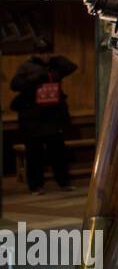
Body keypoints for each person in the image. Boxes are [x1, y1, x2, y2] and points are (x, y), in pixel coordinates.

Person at [8, 39, 78, 194]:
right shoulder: (26, 66)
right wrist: (35, 78)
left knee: (58, 152)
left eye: (47, 52)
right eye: (41, 52)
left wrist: (54, 63)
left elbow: (71, 67)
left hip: (52, 116)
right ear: (35, 53)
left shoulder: (55, 64)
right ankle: (35, 185)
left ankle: (63, 182)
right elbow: (15, 85)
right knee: (34, 154)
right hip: (33, 117)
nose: (45, 55)